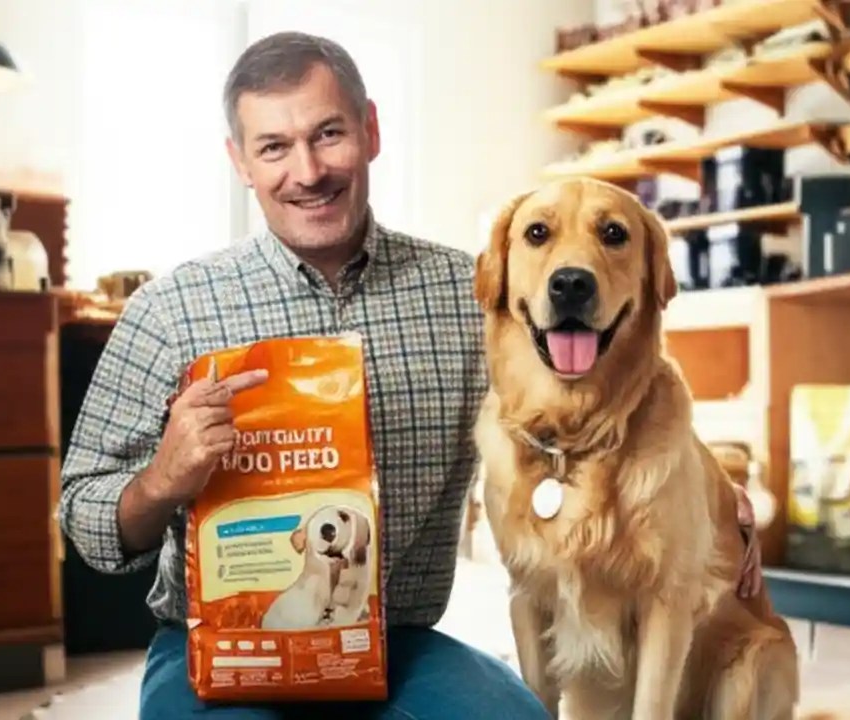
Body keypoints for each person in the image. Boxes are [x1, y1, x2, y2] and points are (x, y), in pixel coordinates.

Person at [58, 30, 763, 720]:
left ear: (370, 130)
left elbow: (594, 400)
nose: (308, 171)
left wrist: (711, 491)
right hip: (221, 649)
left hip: (397, 647)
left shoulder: (472, 295)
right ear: (239, 161)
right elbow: (83, 517)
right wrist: (162, 480)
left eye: (328, 133)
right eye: (274, 147)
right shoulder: (171, 310)